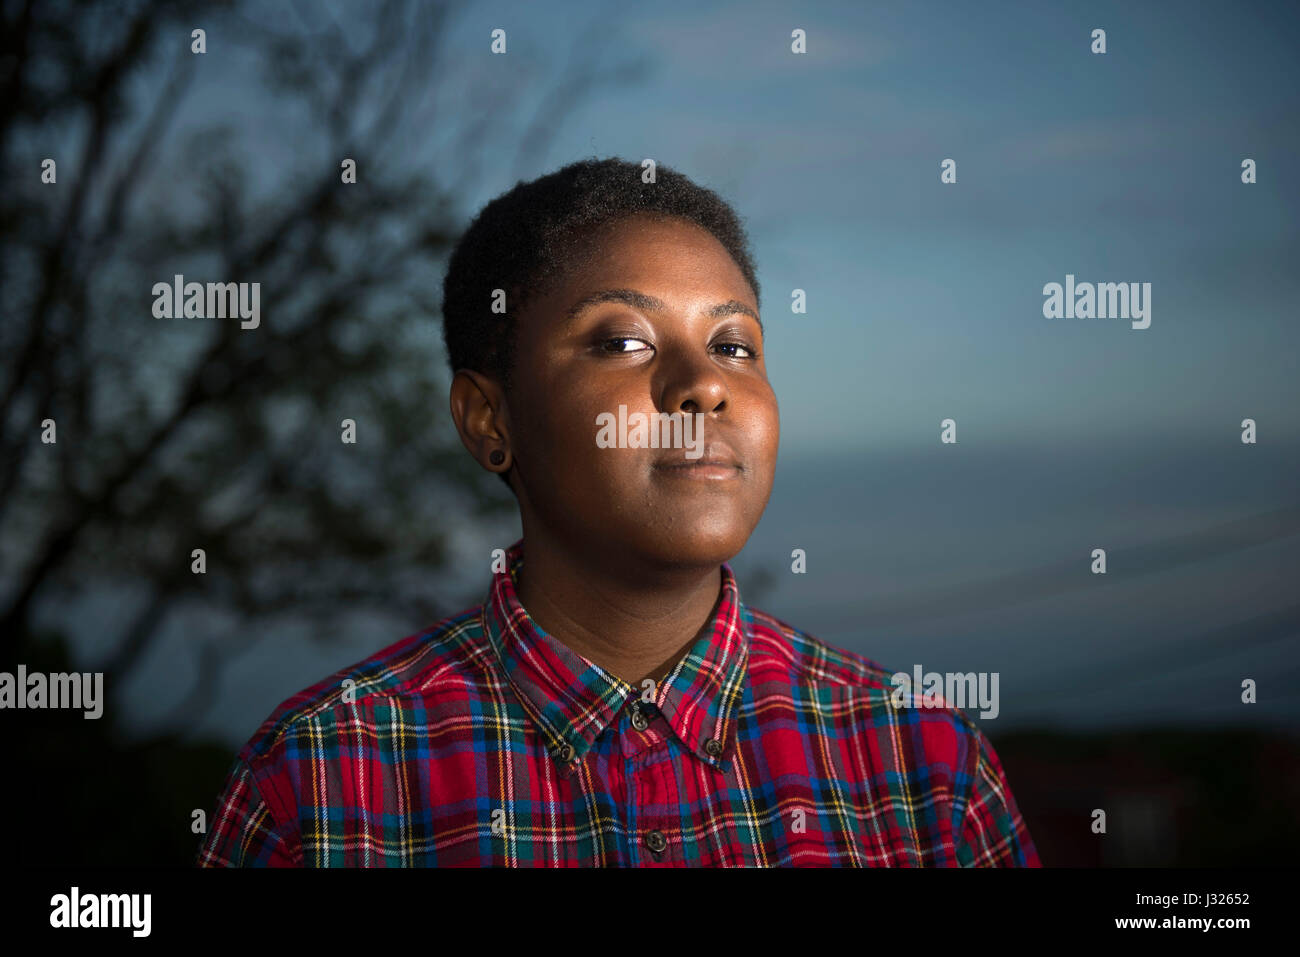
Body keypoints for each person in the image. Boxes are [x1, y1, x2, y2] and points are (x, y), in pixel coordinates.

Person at [196, 156, 1040, 867]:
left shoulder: (927, 772)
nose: (705, 384)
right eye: (622, 340)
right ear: (491, 420)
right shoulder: (322, 781)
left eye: (734, 345)